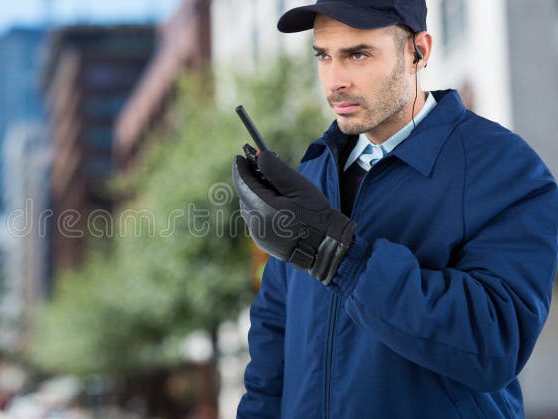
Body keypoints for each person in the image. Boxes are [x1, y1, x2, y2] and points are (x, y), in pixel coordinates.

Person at [230, 0, 558, 417]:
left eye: (358, 54)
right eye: (324, 56)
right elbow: (271, 354)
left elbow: (496, 343)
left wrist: (339, 256)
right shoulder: (311, 177)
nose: (335, 81)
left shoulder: (504, 168)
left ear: (418, 50)